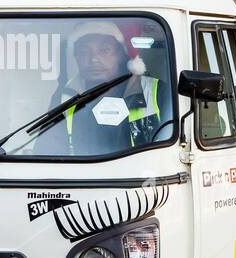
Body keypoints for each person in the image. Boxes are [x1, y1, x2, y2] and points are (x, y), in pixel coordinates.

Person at [38, 21, 164, 157]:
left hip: (138, 176)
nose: (93, 59)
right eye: (84, 51)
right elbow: (47, 150)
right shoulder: (65, 96)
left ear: (121, 55)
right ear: (76, 57)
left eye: (104, 50)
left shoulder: (156, 92)